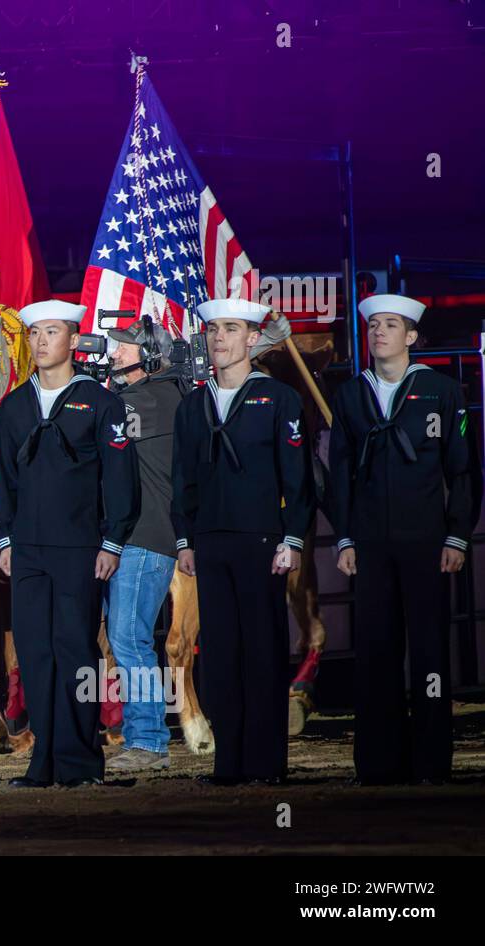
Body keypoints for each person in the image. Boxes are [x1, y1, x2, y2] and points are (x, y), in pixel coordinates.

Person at [328, 294, 480, 785]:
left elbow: (462, 469)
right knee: (376, 650)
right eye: (374, 325)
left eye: (390, 325)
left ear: (411, 337)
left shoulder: (440, 391)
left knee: (430, 653)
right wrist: (345, 537)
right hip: (371, 541)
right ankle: (378, 763)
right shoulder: (352, 394)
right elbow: (341, 473)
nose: (379, 333)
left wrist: (457, 536)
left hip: (426, 540)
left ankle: (432, 761)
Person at [0, 300, 140, 788]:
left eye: (50, 333)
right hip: (28, 551)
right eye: (34, 333)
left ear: (73, 341)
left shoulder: (101, 402)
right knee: (34, 652)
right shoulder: (14, 405)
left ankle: (78, 761)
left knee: (75, 650)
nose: (39, 342)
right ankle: (43, 761)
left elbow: (121, 479)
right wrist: (8, 539)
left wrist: (113, 542)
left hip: (81, 548)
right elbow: (5, 479)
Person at [171, 298, 313, 786]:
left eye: (230, 330)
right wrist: (185, 539)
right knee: (220, 656)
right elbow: (182, 479)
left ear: (253, 339)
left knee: (262, 652)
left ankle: (267, 763)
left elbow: (297, 477)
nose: (219, 338)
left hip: (262, 542)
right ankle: (228, 762)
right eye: (213, 330)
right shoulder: (194, 404)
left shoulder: (277, 399)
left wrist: (292, 537)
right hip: (210, 543)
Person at [102, 316, 185, 773]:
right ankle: (145, 737)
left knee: (129, 638)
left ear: (151, 354)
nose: (112, 353)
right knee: (128, 638)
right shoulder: (158, 395)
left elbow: (102, 430)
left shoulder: (151, 398)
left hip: (144, 536)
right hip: (136, 536)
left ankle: (148, 740)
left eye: (122, 347)